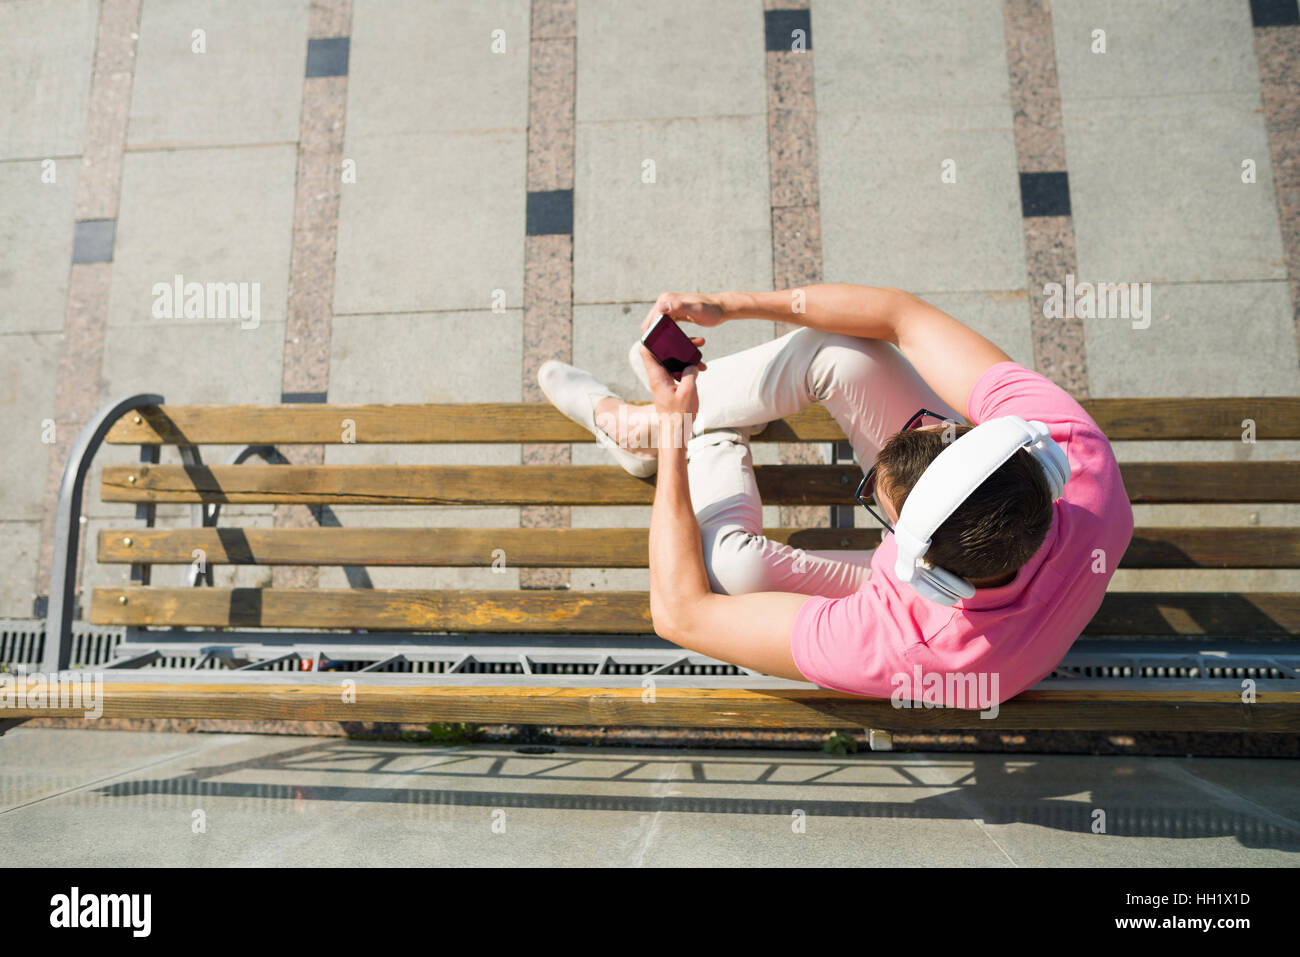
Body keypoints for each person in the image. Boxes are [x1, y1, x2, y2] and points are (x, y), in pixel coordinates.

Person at [537, 285, 1133, 707]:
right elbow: (901, 316)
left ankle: (681, 429)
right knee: (844, 353)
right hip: (981, 563)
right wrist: (733, 306)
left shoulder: (912, 647)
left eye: (882, 502)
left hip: (937, 616)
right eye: (937, 427)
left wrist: (676, 436)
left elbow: (679, 614)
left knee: (724, 566)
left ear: (920, 569)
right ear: (1018, 455)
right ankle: (646, 427)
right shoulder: (1074, 458)